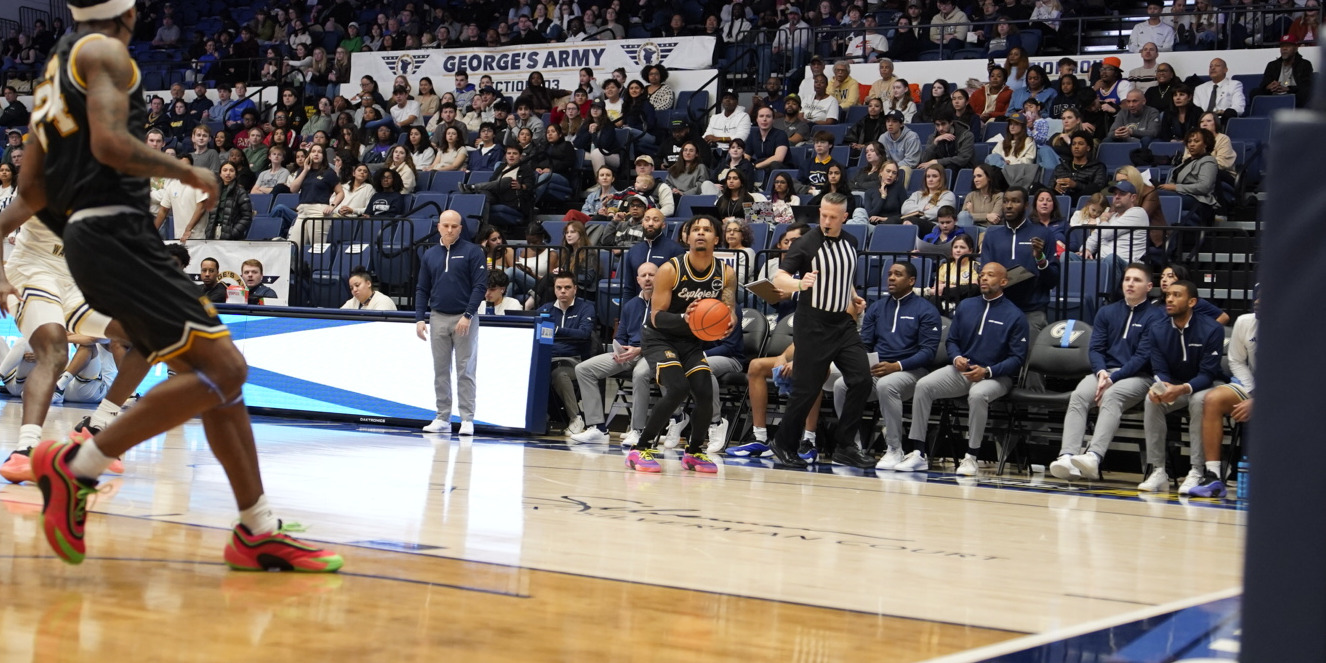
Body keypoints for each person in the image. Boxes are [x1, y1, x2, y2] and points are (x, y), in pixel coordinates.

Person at [0, 0, 344, 571]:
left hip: (88, 245)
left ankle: (257, 529)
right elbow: (112, 145)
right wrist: (187, 170)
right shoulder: (105, 50)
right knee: (224, 369)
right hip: (116, 234)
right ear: (128, 11)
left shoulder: (51, 80)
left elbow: (32, 188)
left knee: (212, 376)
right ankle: (76, 467)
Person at [765, 193, 873, 469]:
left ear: (844, 217)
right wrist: (801, 284)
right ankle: (783, 443)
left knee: (861, 378)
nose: (826, 220)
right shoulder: (806, 243)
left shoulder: (851, 241)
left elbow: (843, 276)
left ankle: (845, 445)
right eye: (823, 215)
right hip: (813, 323)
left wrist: (854, 296)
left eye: (832, 217)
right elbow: (779, 278)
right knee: (806, 389)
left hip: (842, 323)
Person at [624, 216, 737, 474]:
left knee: (705, 391)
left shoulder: (726, 273)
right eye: (695, 229)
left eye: (707, 230)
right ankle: (639, 449)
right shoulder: (670, 270)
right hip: (659, 337)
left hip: (690, 341)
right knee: (677, 388)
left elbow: (729, 309)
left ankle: (695, 452)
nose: (700, 233)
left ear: (716, 239)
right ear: (686, 238)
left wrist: (728, 321)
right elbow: (656, 316)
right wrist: (686, 317)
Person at [903, 262, 1028, 476]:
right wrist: (957, 357)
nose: (984, 278)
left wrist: (988, 371)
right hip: (963, 371)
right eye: (982, 275)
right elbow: (952, 341)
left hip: (996, 376)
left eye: (990, 275)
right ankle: (918, 452)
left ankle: (971, 456)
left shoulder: (1015, 315)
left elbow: (1017, 359)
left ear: (1004, 282)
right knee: (923, 385)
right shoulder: (967, 306)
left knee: (978, 394)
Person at [1048, 262, 1165, 481]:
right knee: (1079, 395)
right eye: (1127, 279)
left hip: (1138, 376)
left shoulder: (1156, 316)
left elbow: (1143, 356)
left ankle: (1093, 456)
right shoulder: (1107, 311)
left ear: (1149, 286)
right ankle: (1067, 456)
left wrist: (1113, 378)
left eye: (1136, 280)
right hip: (1105, 373)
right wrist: (1101, 372)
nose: (1130, 284)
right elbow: (1095, 348)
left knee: (1112, 395)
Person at [831, 262, 940, 470]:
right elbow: (865, 343)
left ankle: (894, 449)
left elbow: (928, 353)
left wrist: (897, 366)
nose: (890, 278)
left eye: (897, 275)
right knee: (841, 386)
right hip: (878, 369)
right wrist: (865, 363)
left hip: (911, 371)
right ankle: (851, 446)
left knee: (886, 385)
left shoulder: (926, 310)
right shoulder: (878, 307)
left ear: (911, 281)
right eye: (889, 274)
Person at [1138, 279, 1225, 493]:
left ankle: (1196, 471)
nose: (1169, 299)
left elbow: (1207, 374)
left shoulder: (1212, 329)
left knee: (1198, 400)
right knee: (1152, 400)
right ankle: (1158, 470)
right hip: (1176, 386)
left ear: (1192, 301)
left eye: (1177, 295)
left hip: (1209, 384)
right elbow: (1159, 369)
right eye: (1168, 295)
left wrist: (1183, 388)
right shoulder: (1157, 330)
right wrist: (1162, 387)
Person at [569, 262, 657, 446]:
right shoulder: (631, 305)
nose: (648, 278)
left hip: (652, 354)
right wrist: (620, 350)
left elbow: (665, 338)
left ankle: (637, 430)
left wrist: (639, 350)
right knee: (583, 369)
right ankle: (598, 428)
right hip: (628, 354)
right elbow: (622, 335)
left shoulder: (665, 303)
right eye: (644, 275)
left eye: (652, 274)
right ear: (638, 280)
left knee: (640, 374)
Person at [416, 211, 486, 435]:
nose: (449, 230)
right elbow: (422, 288)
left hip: (464, 317)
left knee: (465, 369)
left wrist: (468, 315)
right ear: (438, 227)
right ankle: (442, 417)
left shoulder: (473, 252)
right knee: (441, 370)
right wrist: (419, 318)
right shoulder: (430, 254)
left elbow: (480, 286)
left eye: (454, 226)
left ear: (460, 228)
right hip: (437, 316)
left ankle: (467, 419)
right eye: (445, 225)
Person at [1190, 302, 1257, 498]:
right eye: (1257, 296)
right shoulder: (1245, 322)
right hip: (1253, 385)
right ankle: (1213, 476)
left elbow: (1296, 372)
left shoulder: (1294, 325)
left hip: (1288, 391)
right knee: (1212, 399)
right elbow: (1235, 361)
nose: (1259, 301)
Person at [981, 188, 1061, 339]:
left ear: (1026, 205)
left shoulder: (1043, 234)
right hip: (999, 309)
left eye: (1015, 201)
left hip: (1032, 310)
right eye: (1005, 201)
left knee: (1030, 362)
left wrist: (1040, 259)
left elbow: (1053, 280)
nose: (1009, 206)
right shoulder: (992, 235)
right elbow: (985, 272)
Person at [538, 271, 596, 434]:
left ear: (575, 289)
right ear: (555, 290)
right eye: (559, 287)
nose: (563, 291)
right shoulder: (545, 309)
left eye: (567, 287)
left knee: (560, 375)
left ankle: (575, 418)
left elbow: (584, 333)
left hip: (573, 360)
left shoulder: (586, 308)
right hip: (546, 359)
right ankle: (535, 416)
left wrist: (556, 330)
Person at [1160, 129, 1219, 227]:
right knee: (1152, 192)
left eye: (1196, 141)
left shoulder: (1209, 161)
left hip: (1199, 200)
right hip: (1182, 195)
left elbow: (1204, 187)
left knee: (1155, 194)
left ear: (1206, 144)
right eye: (1189, 141)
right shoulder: (1186, 162)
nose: (1191, 144)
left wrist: (1175, 188)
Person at [154, 153, 210, 242]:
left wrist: (188, 229)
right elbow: (163, 210)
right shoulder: (172, 186)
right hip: (179, 237)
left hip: (197, 237)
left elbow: (201, 207)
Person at [1256, 34, 1314, 108]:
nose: (1284, 49)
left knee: (1306, 92)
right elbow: (1263, 84)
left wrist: (1288, 89)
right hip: (1275, 95)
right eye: (1282, 46)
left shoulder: (1304, 64)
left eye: (1288, 46)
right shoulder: (1272, 65)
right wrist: (1269, 86)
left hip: (1294, 96)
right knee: (1255, 92)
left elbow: (1306, 86)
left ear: (1296, 48)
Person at [917, 108, 975, 176]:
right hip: (940, 169)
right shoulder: (933, 137)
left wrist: (937, 162)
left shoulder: (966, 135)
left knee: (951, 168)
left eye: (943, 124)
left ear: (951, 122)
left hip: (961, 169)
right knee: (922, 168)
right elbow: (924, 160)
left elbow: (962, 159)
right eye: (937, 125)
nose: (940, 128)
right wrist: (935, 143)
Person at [900, 164, 956, 235]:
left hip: (935, 226)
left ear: (941, 179)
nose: (930, 179)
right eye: (928, 176)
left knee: (910, 220)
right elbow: (904, 209)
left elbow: (939, 213)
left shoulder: (948, 195)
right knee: (895, 221)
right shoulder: (917, 194)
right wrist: (922, 208)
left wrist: (917, 214)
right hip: (917, 222)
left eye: (934, 176)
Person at [1052, 131, 1108, 201]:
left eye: (1080, 144)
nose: (1076, 147)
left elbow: (1098, 188)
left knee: (1092, 189)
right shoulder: (1060, 167)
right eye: (1073, 144)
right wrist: (1056, 186)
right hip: (1060, 200)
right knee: (1038, 187)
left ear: (1088, 148)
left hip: (1084, 201)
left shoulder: (1098, 167)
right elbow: (1050, 186)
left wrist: (1075, 185)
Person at [204, 161, 253, 240]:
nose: (228, 173)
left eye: (231, 170)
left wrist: (233, 232)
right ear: (220, 174)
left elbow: (247, 217)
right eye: (225, 170)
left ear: (235, 174)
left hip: (231, 236)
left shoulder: (240, 192)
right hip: (213, 232)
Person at [1192, 59, 1246, 125]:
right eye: (1210, 67)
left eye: (1217, 66)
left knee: (1229, 113)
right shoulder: (1200, 88)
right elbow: (1196, 109)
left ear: (1225, 70)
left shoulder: (1234, 85)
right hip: (1203, 121)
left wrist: (1222, 112)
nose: (1213, 68)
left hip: (1223, 119)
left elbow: (1239, 107)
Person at [959, 163, 1006, 227]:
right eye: (974, 177)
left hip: (988, 231)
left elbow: (994, 220)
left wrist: (972, 214)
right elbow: (963, 217)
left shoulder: (999, 196)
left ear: (989, 177)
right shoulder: (971, 195)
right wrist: (987, 216)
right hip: (972, 229)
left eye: (979, 176)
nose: (975, 180)